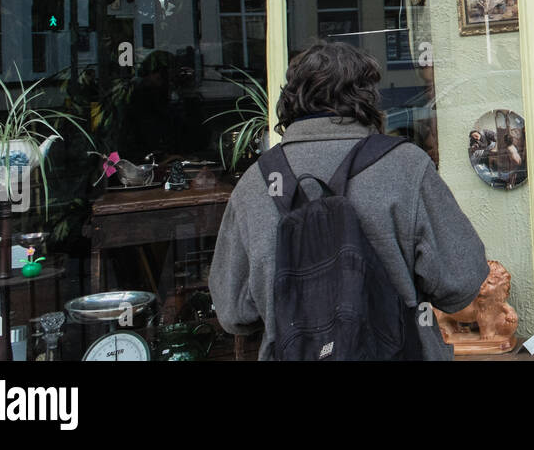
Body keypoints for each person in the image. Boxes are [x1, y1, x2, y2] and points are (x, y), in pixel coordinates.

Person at [209, 41, 489, 360]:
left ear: (290, 101)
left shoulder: (255, 183)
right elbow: (461, 284)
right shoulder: (407, 166)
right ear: (367, 97)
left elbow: (234, 314)